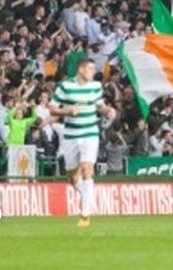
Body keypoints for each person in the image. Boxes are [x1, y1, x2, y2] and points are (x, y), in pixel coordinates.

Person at [48, 58, 116, 228]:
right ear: (81, 69)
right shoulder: (65, 86)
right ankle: (87, 195)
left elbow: (99, 105)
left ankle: (85, 215)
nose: (93, 72)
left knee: (87, 169)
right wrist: (68, 111)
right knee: (72, 176)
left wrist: (108, 110)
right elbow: (52, 107)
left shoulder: (95, 86)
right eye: (90, 69)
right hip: (71, 134)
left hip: (90, 132)